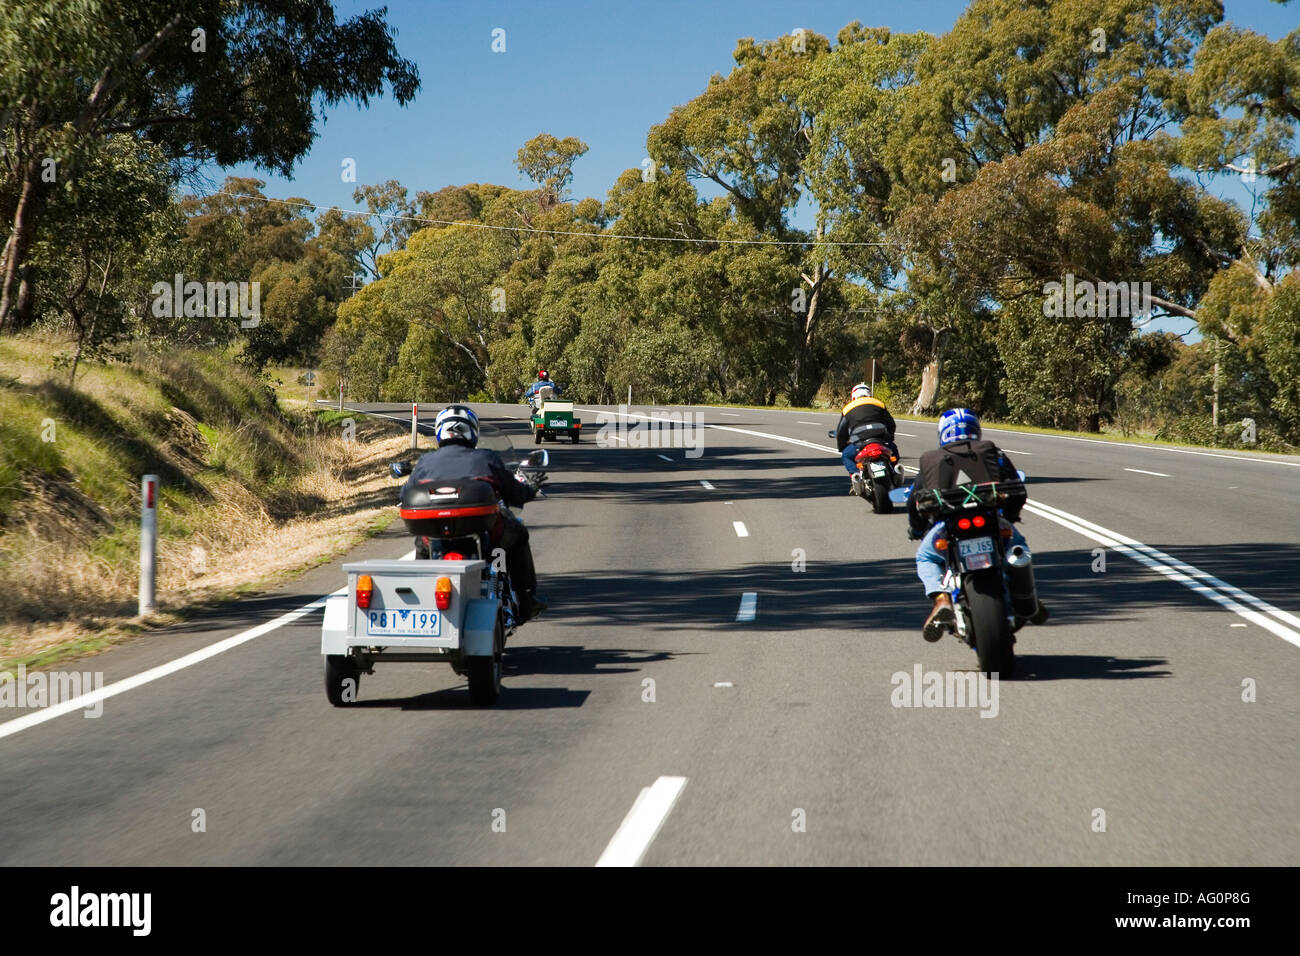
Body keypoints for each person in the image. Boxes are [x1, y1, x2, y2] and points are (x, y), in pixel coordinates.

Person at [907, 407, 1047, 641]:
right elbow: (1017, 490)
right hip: (991, 520)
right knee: (1018, 547)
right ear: (976, 430)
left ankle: (941, 599)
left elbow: (914, 500)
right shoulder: (991, 451)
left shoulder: (931, 459)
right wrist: (1010, 518)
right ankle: (1026, 599)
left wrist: (917, 529)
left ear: (943, 433)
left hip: (950, 527)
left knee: (926, 557)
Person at [406, 405, 549, 621]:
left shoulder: (425, 462)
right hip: (483, 530)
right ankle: (526, 600)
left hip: (435, 531)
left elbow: (405, 494)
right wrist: (529, 489)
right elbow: (514, 492)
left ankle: (418, 597)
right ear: (472, 431)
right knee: (518, 534)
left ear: (439, 431)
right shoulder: (486, 458)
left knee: (421, 543)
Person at [834, 383, 898, 494]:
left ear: (853, 396)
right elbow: (891, 424)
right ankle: (895, 472)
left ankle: (856, 476)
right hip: (880, 441)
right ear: (869, 394)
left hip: (860, 444)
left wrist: (842, 446)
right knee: (894, 450)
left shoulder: (848, 408)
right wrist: (890, 438)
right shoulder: (879, 404)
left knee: (846, 456)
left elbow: (841, 431)